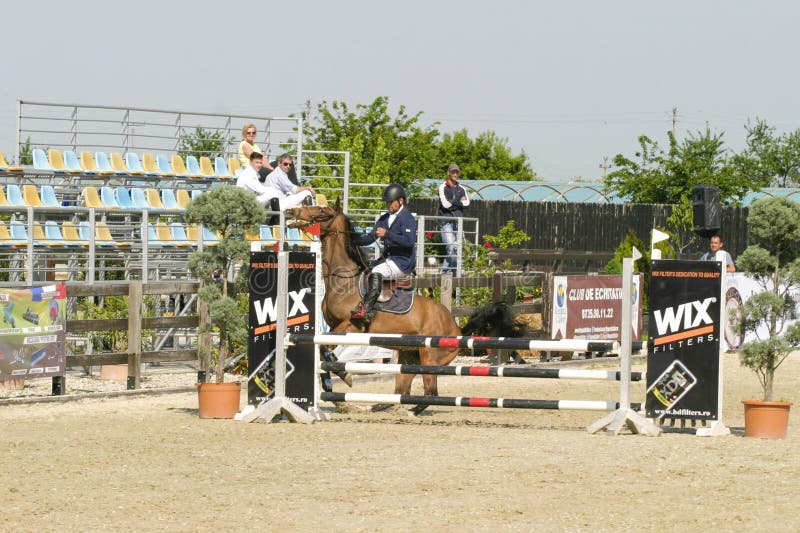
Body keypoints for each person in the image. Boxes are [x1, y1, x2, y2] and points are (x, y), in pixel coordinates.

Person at [351, 183, 417, 322]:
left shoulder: (407, 218)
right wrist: (354, 240)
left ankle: (366, 309)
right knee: (365, 269)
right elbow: (370, 237)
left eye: (391, 202)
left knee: (377, 272)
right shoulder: (384, 219)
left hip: (402, 263)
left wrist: (387, 234)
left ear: (401, 201)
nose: (388, 205)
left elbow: (409, 241)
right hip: (387, 259)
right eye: (387, 202)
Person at [236, 152, 313, 212]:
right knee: (306, 193)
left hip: (253, 201)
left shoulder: (252, 173)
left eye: (260, 163)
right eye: (285, 164)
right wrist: (307, 188)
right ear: (250, 162)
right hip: (247, 203)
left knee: (276, 193)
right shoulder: (249, 174)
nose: (288, 166)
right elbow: (260, 190)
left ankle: (295, 210)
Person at [437, 163, 470, 273]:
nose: (455, 174)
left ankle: (445, 274)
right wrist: (459, 202)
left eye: (457, 172)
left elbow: (467, 203)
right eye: (453, 172)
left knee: (456, 249)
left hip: (458, 222)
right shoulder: (442, 187)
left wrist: (453, 202)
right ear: (448, 173)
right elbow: (445, 204)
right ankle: (457, 271)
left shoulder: (462, 188)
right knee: (451, 247)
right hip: (446, 221)